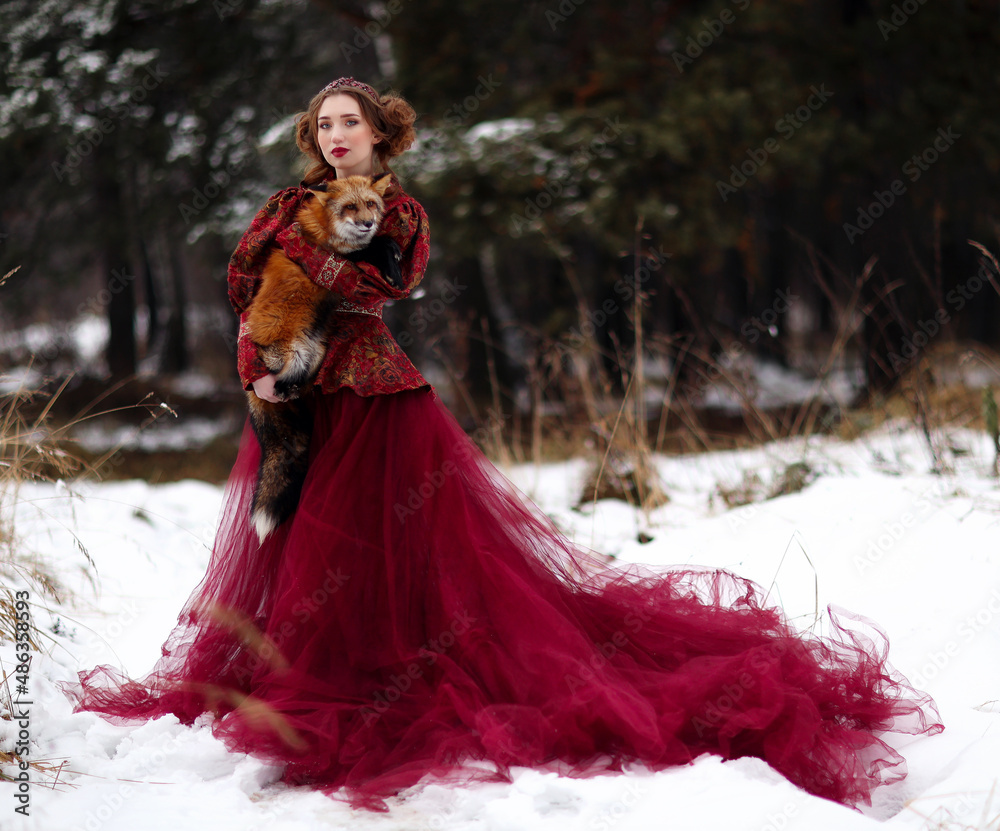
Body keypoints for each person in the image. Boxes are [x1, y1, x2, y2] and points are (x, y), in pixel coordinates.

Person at [68, 77, 943, 813]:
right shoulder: (284, 203)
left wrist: (302, 255)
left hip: (374, 396)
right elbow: (240, 281)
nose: (336, 136)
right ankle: (296, 672)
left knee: (392, 550)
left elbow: (381, 285)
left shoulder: (399, 209)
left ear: (380, 132)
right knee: (296, 548)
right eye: (323, 124)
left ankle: (376, 680)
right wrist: (261, 366)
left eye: (350, 122)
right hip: (291, 395)